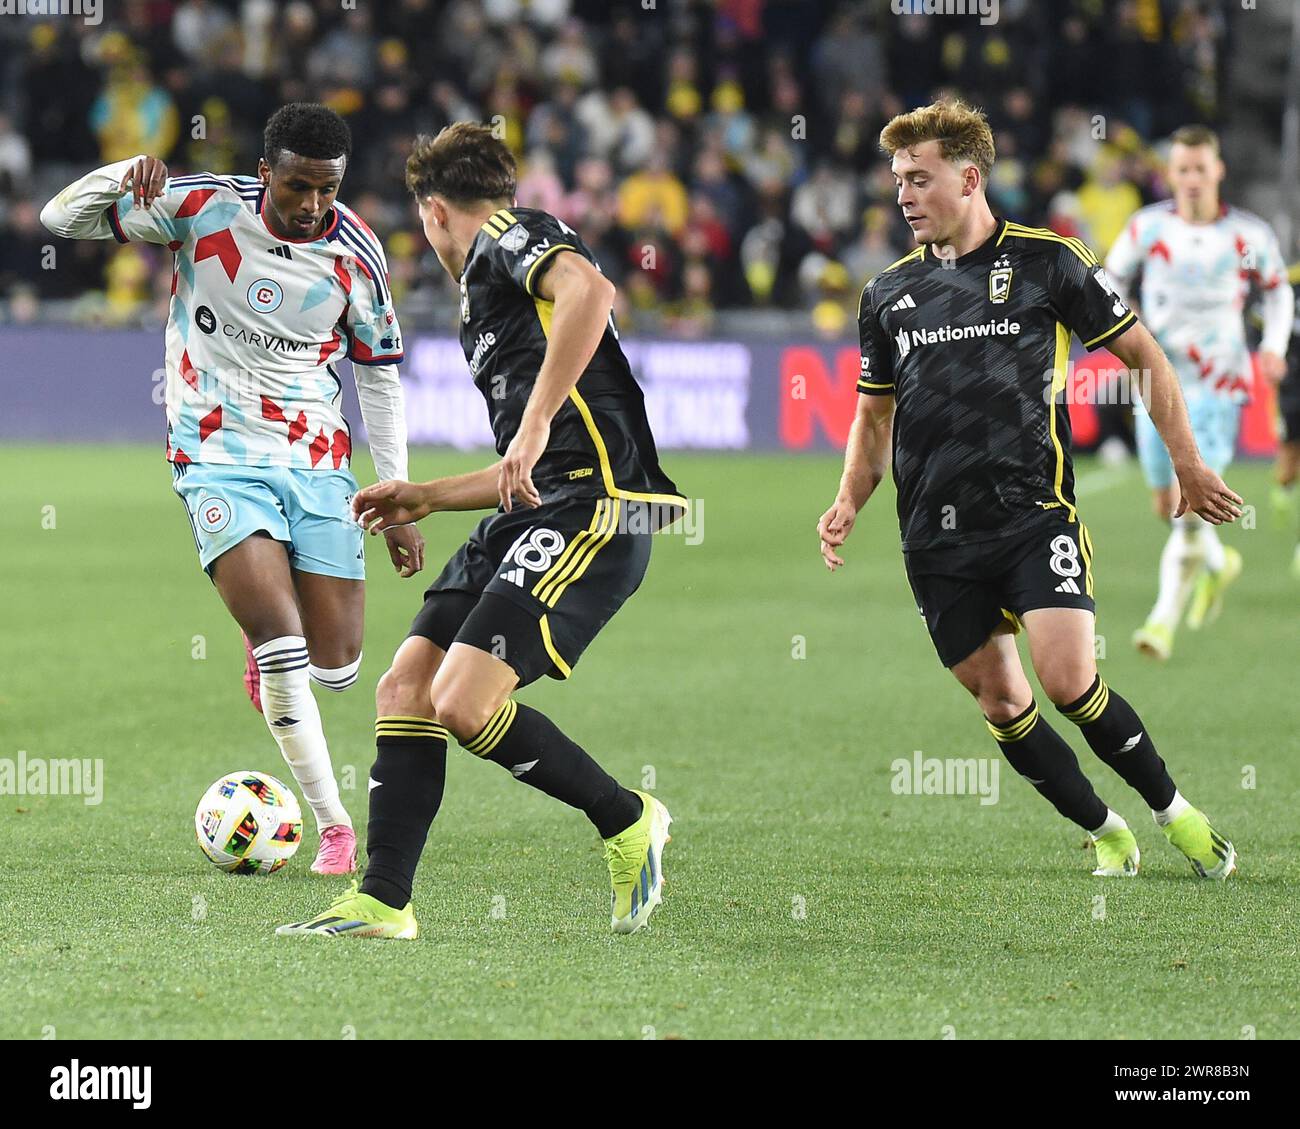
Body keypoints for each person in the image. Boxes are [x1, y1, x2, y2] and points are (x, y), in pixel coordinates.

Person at [278, 123, 683, 939]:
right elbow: (519, 467)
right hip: (533, 509)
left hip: (599, 505)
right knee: (406, 689)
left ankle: (627, 816)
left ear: (433, 211)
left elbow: (592, 293)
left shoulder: (509, 233)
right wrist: (427, 495)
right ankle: (384, 899)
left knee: (462, 699)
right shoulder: (485, 296)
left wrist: (530, 426)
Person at [818, 100, 1239, 881]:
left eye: (919, 177)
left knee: (1068, 679)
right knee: (1003, 705)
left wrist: (1187, 462)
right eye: (897, 180)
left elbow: (1143, 354)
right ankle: (1107, 829)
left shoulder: (1051, 261)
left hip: (1031, 516)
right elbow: (872, 420)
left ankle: (1174, 811)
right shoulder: (886, 295)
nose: (903, 194)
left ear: (970, 177)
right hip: (936, 540)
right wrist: (850, 499)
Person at [41, 103, 424, 874]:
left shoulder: (356, 252)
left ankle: (268, 652)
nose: (312, 204)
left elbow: (379, 377)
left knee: (339, 667)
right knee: (285, 651)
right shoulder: (205, 206)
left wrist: (396, 492)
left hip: (318, 460)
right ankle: (336, 829)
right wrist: (126, 173)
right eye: (297, 186)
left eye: (327, 189)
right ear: (265, 173)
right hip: (215, 453)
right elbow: (59, 217)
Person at [1105, 126, 1293, 658]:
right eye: (1181, 169)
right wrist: (1125, 329)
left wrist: (1274, 346)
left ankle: (1161, 622)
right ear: (1171, 175)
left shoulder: (1248, 236)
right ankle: (1217, 563)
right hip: (1157, 378)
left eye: (1200, 169)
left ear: (1218, 171)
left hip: (1219, 380)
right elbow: (1109, 282)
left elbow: (1278, 295)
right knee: (1166, 504)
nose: (1191, 179)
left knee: (1190, 503)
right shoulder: (1147, 227)